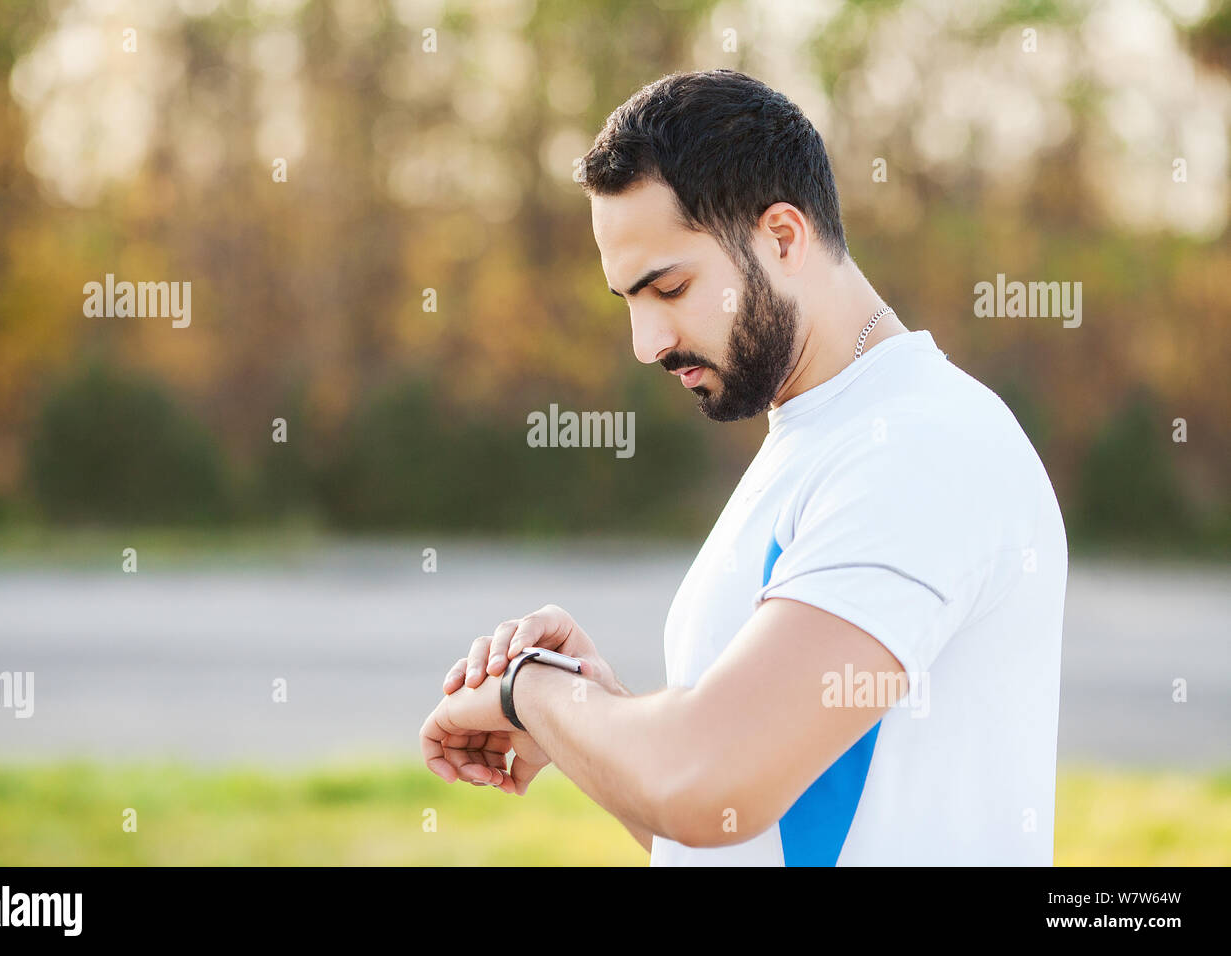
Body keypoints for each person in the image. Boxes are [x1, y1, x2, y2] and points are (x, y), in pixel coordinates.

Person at [419, 69, 1067, 866]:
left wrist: (536, 692)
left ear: (783, 238)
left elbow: (711, 782)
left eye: (670, 287)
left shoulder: (921, 446)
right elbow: (725, 829)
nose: (647, 344)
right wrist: (599, 715)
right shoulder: (821, 438)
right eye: (628, 299)